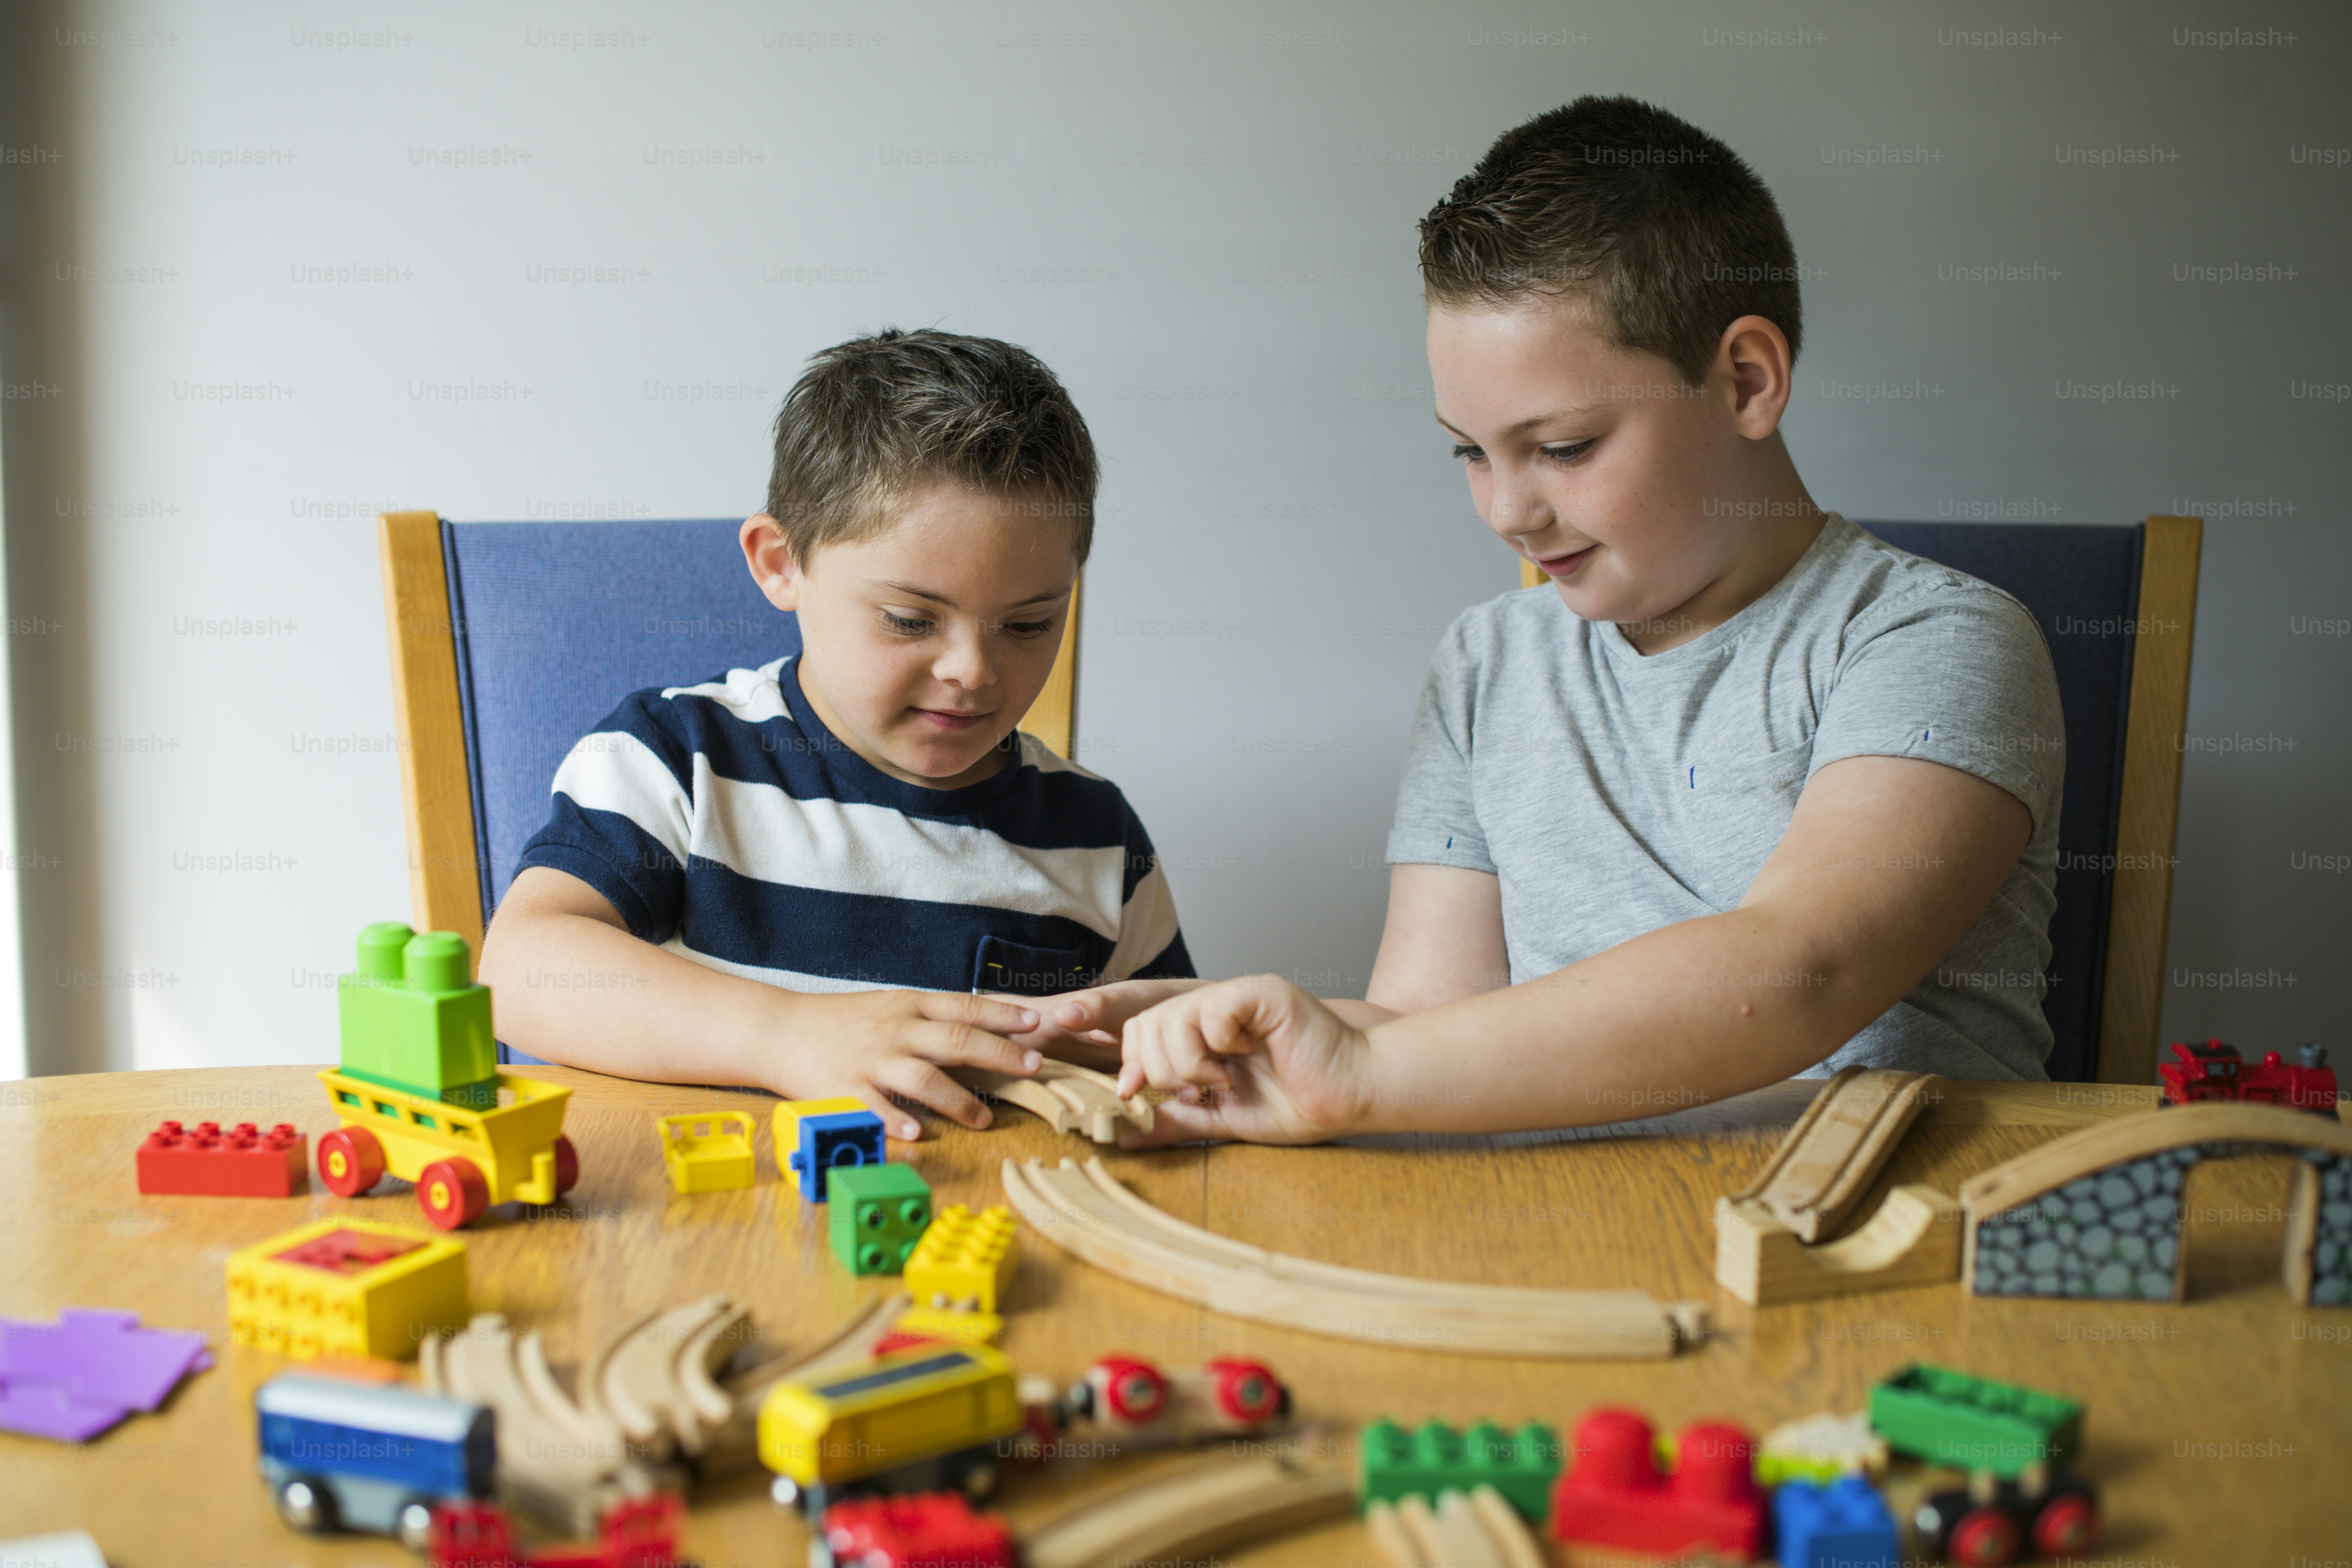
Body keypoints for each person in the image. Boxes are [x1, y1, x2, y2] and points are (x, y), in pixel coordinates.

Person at [1050, 96, 2065, 1146]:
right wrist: (1241, 1044)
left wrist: (1362, 1067)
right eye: (1471, 452)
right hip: (1561, 1218)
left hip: (1888, 1219)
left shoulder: (1938, 643)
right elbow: (1422, 1030)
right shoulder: (1487, 662)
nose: (1507, 512)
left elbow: (1799, 971)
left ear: (1747, 381)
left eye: (1565, 448)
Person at [477, 329, 1193, 1138]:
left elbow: (1172, 1065)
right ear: (781, 563)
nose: (973, 670)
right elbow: (523, 968)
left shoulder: (1097, 834)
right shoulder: (676, 759)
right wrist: (782, 1035)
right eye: (910, 619)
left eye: (1028, 624)